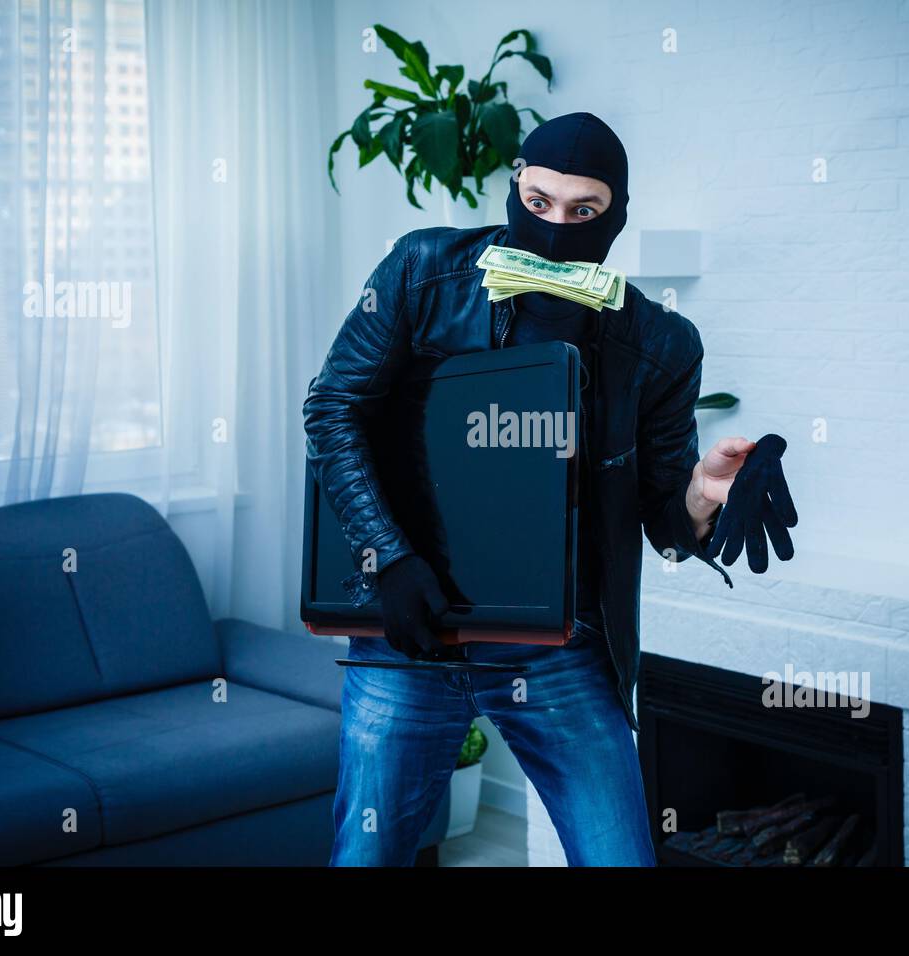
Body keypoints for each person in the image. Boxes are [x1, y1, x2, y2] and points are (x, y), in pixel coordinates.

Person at [304, 112, 759, 867]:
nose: (555, 228)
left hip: (560, 649)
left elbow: (664, 521)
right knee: (366, 858)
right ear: (514, 185)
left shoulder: (663, 343)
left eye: (584, 213)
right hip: (409, 629)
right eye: (539, 202)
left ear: (616, 218)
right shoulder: (421, 272)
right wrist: (389, 558)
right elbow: (333, 406)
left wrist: (705, 491)